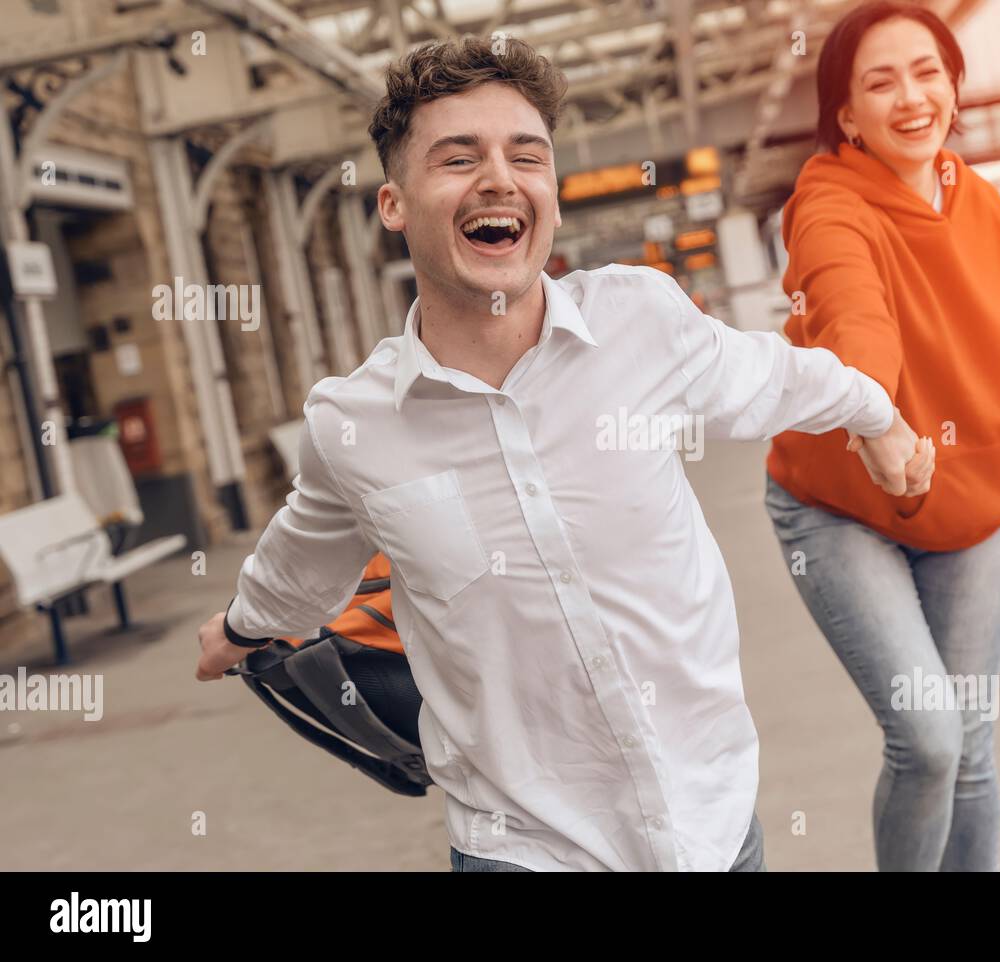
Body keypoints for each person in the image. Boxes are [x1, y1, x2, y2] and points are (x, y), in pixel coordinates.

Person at [195, 35, 934, 872]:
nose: (500, 179)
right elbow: (300, 563)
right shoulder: (355, 425)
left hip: (711, 822)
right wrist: (238, 629)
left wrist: (880, 418)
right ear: (394, 204)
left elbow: (780, 376)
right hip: (524, 848)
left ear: (549, 185)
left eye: (527, 155)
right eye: (457, 158)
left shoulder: (640, 323)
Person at [763, 0, 1000, 871]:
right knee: (927, 738)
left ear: (955, 89)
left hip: (971, 505)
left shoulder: (984, 203)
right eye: (879, 83)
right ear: (846, 116)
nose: (910, 96)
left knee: (970, 746)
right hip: (840, 505)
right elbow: (854, 317)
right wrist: (876, 416)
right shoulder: (828, 205)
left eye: (928, 73)